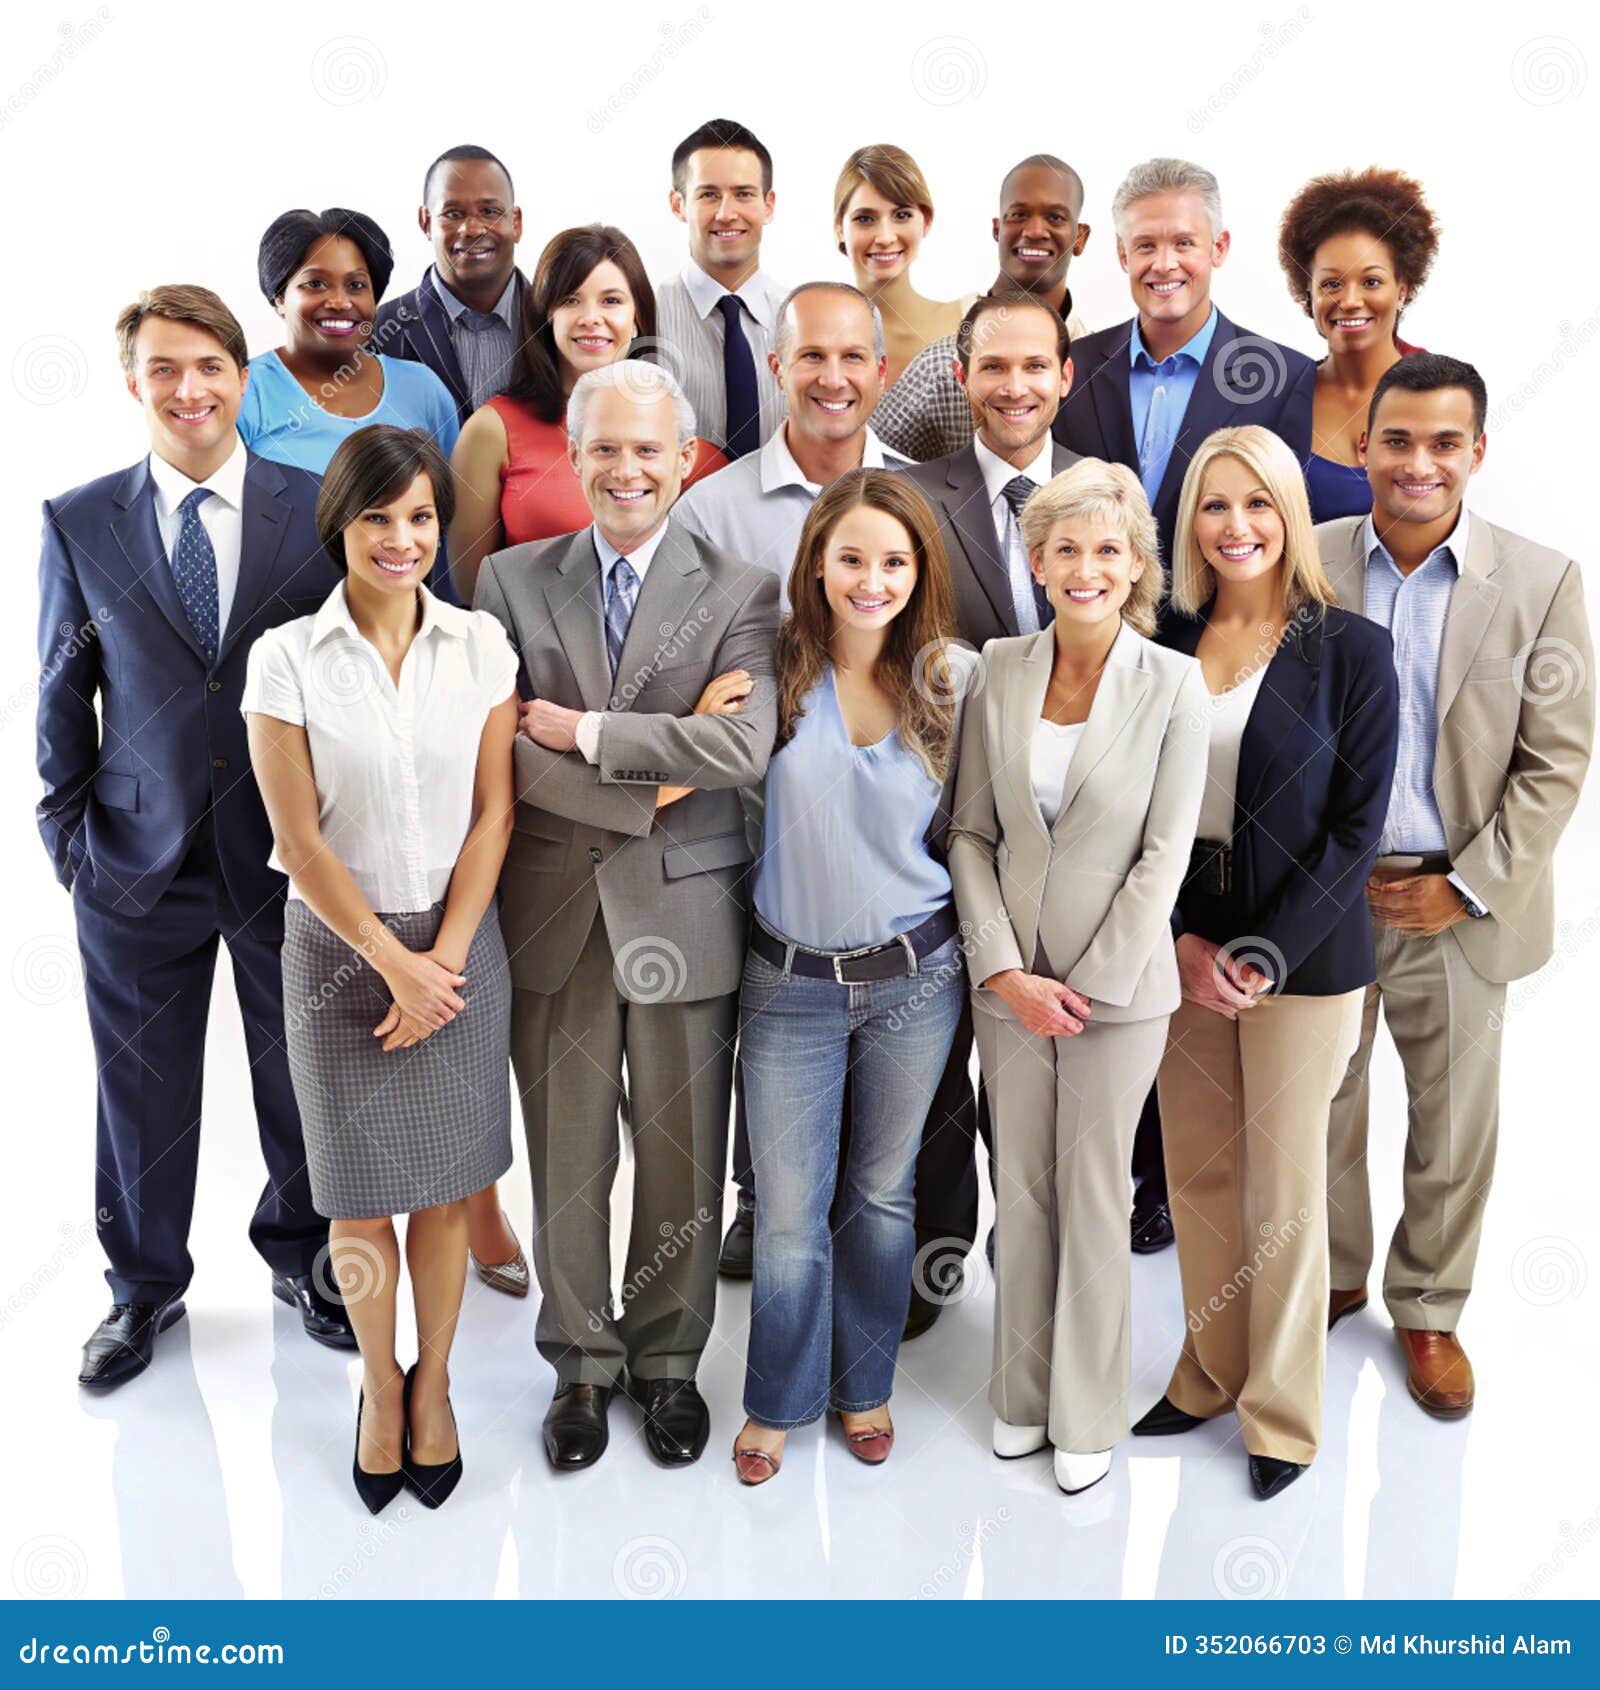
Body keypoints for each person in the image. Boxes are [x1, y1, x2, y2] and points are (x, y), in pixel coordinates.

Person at [36, 285, 352, 1392]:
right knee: (140, 1090)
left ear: (241, 377)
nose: (189, 389)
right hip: (135, 862)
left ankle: (305, 1257)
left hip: (287, 855)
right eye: (164, 368)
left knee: (300, 1074)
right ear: (134, 382)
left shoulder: (315, 508)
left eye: (209, 365)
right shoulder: (80, 519)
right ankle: (142, 1285)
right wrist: (71, 842)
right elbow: (62, 696)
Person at [473, 360, 780, 1472]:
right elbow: (498, 751)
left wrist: (588, 733)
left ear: (685, 459)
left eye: (648, 449)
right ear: (572, 456)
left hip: (684, 913)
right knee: (567, 1156)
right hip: (554, 909)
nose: (626, 469)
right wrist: (657, 777)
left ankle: (667, 1362)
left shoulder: (742, 590)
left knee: (680, 1155)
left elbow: (741, 747)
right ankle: (580, 1363)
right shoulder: (509, 581)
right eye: (603, 448)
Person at [244, 425, 518, 1513]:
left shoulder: (481, 643)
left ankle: (435, 1383)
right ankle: (380, 1387)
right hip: (337, 951)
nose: (402, 539)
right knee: (357, 1204)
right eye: (377, 517)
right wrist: (392, 965)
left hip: (458, 948)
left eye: (420, 517)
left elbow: (494, 815)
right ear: (340, 525)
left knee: (446, 1193)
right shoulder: (286, 657)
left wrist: (439, 962)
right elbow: (298, 840)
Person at [1320, 355, 1594, 1420]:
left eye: (1444, 442)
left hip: (1458, 904)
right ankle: (1335, 1272)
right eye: (1397, 440)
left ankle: (1428, 1308)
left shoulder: (1540, 580)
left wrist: (1467, 887)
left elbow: (1556, 761)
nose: (1418, 462)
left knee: (1453, 1121)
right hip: (1329, 898)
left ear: (1477, 451)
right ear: (1364, 447)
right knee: (1322, 1103)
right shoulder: (1309, 559)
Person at [1133, 425, 1400, 1501]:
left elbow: (1356, 831)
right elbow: (1122, 808)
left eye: (1257, 503)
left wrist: (1263, 951)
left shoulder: (1352, 651)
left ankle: (1282, 1414)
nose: (1235, 525)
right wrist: (1177, 940)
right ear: (1189, 522)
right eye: (1214, 504)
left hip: (1305, 954)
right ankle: (1209, 1373)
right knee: (1199, 1174)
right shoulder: (1159, 637)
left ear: (1290, 515)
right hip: (1179, 942)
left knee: (1283, 1190)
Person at [948, 459, 1209, 1498]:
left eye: (1107, 549)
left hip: (1118, 991)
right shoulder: (998, 669)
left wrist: (1087, 985)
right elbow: (970, 832)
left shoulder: (1173, 682)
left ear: (1137, 564)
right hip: (1009, 984)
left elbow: (1166, 853)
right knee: (1019, 1184)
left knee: (1095, 1191)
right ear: (1037, 562)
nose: (1086, 567)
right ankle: (1020, 1395)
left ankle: (1087, 1408)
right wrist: (1004, 968)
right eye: (1066, 549)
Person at [731, 470, 975, 1486]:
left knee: (880, 1195)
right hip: (789, 984)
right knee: (789, 1212)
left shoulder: (953, 679)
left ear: (919, 572)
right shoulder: (770, 666)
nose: (872, 580)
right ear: (817, 564)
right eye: (851, 559)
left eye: (893, 561)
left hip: (917, 979)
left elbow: (985, 828)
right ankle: (777, 1400)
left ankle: (864, 1385)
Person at [1053, 158, 1315, 579]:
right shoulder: (1073, 368)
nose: (1164, 263)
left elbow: (1290, 534)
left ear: (1219, 248)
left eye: (1184, 243)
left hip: (1219, 616)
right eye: (1145, 245)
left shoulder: (1282, 379)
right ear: (1122, 254)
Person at [448, 224, 727, 604]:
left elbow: (710, 589)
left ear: (638, 317)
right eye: (570, 300)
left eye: (611, 300)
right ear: (546, 314)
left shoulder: (693, 450)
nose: (590, 317)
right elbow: (472, 591)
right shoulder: (491, 430)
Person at [674, 282, 907, 595]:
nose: (833, 380)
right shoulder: (704, 514)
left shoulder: (927, 497)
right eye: (812, 356)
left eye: (852, 356)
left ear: (880, 373)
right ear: (778, 370)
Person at [873, 154, 1091, 462]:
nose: (1034, 231)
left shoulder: (1098, 365)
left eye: (1055, 217)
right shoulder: (938, 361)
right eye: (1019, 215)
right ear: (997, 229)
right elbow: (868, 460)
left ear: (1080, 237)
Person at [240, 208, 461, 478]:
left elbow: (454, 499)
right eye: (316, 283)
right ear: (279, 298)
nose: (340, 303)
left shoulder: (424, 389)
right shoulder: (245, 392)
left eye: (356, 285)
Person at [1277, 167, 1439, 522]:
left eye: (1371, 281)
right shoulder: (1282, 398)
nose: (1349, 301)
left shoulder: (1440, 392)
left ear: (1402, 290)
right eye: (1332, 284)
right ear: (1308, 294)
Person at [655, 118, 787, 458]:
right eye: (709, 195)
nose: (727, 214)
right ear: (678, 205)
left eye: (743, 194)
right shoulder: (644, 315)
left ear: (768, 205)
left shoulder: (800, 321)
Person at [375, 144, 529, 425]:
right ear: (425, 222)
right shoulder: (380, 332)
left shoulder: (557, 321)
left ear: (515, 222)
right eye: (453, 214)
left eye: (489, 211)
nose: (472, 229)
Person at [833, 144, 968, 386]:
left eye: (902, 215)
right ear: (839, 230)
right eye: (865, 218)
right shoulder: (811, 333)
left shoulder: (968, 321)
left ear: (926, 221)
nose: (885, 237)